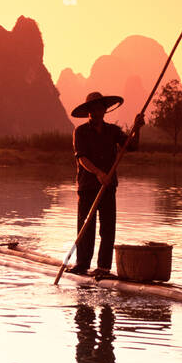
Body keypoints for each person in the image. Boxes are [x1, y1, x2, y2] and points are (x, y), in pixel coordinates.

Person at [69, 91, 143, 278]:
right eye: (93, 108)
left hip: (109, 186)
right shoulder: (81, 132)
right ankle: (82, 263)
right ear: (88, 111)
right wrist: (99, 173)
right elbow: (82, 159)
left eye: (100, 107)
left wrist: (137, 127)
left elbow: (131, 146)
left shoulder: (113, 131)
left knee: (108, 227)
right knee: (86, 226)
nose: (97, 111)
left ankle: (103, 268)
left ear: (104, 110)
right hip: (87, 186)